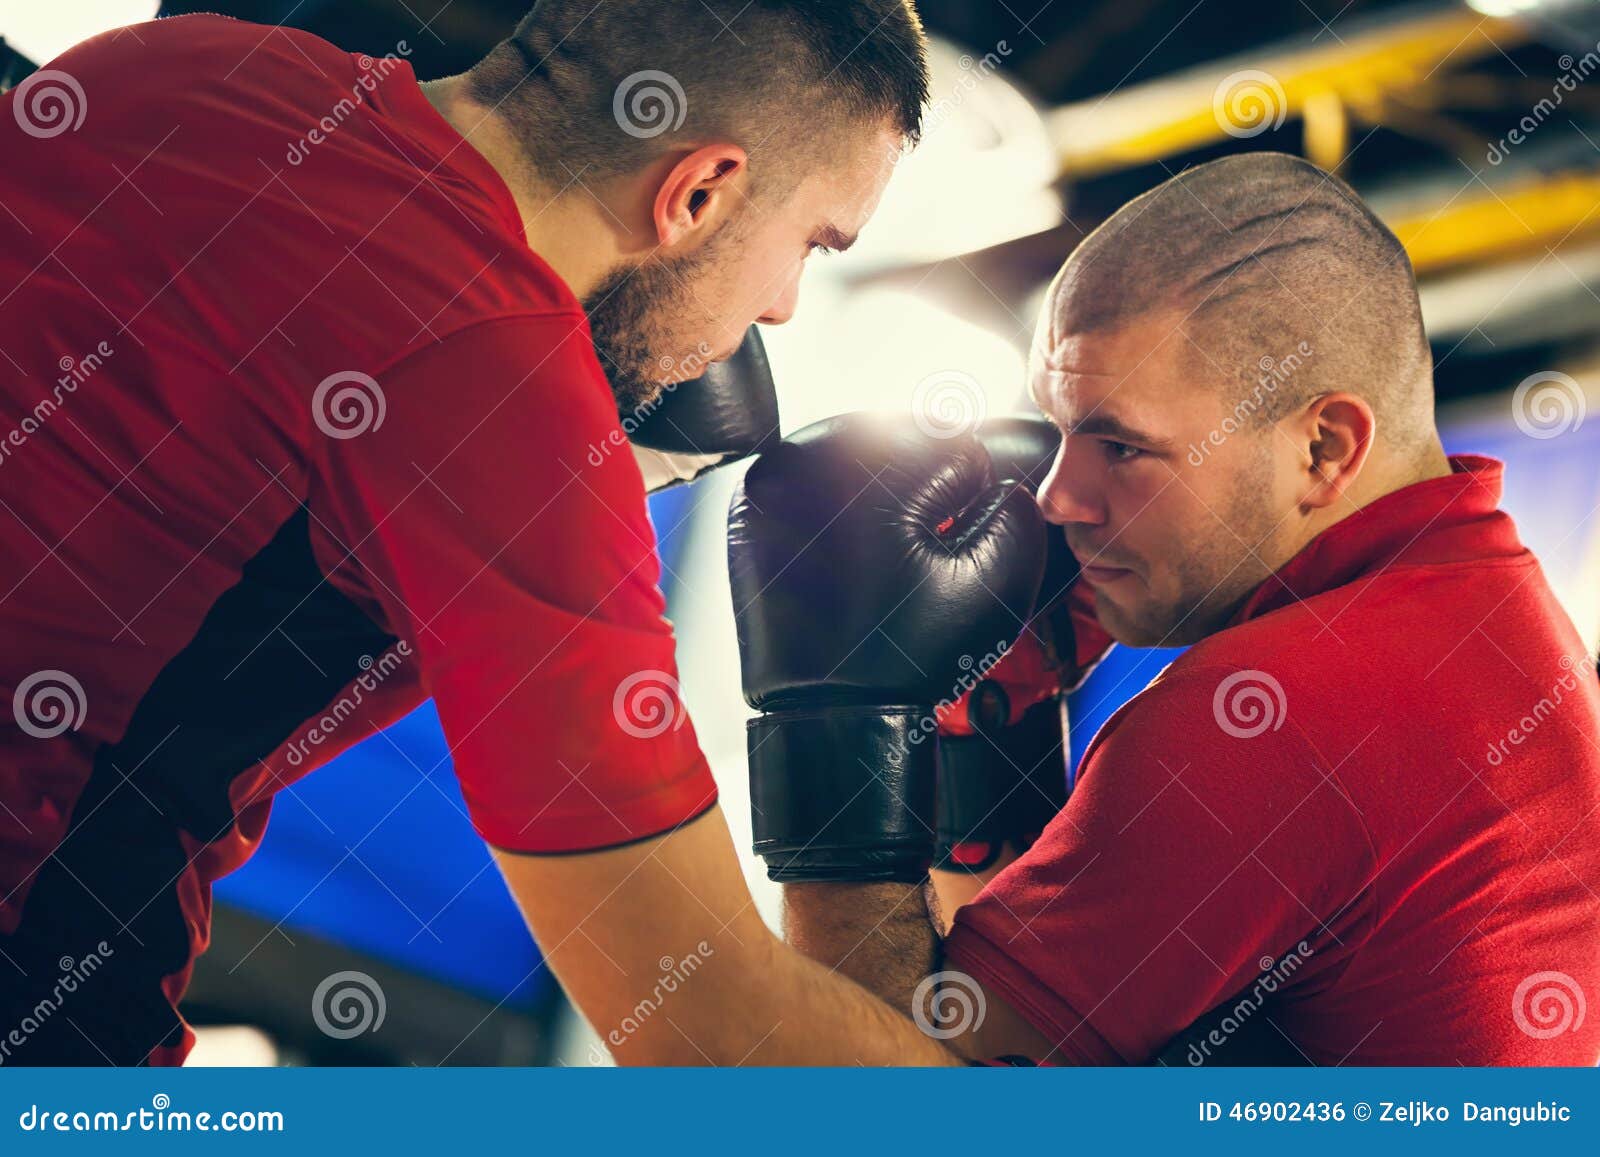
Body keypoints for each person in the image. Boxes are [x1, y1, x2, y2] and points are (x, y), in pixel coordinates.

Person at [0, 1, 930, 1065]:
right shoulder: (509, 414)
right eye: (810, 243)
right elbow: (708, 1032)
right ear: (699, 192)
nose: (782, 308)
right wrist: (857, 733)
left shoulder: (177, 61)